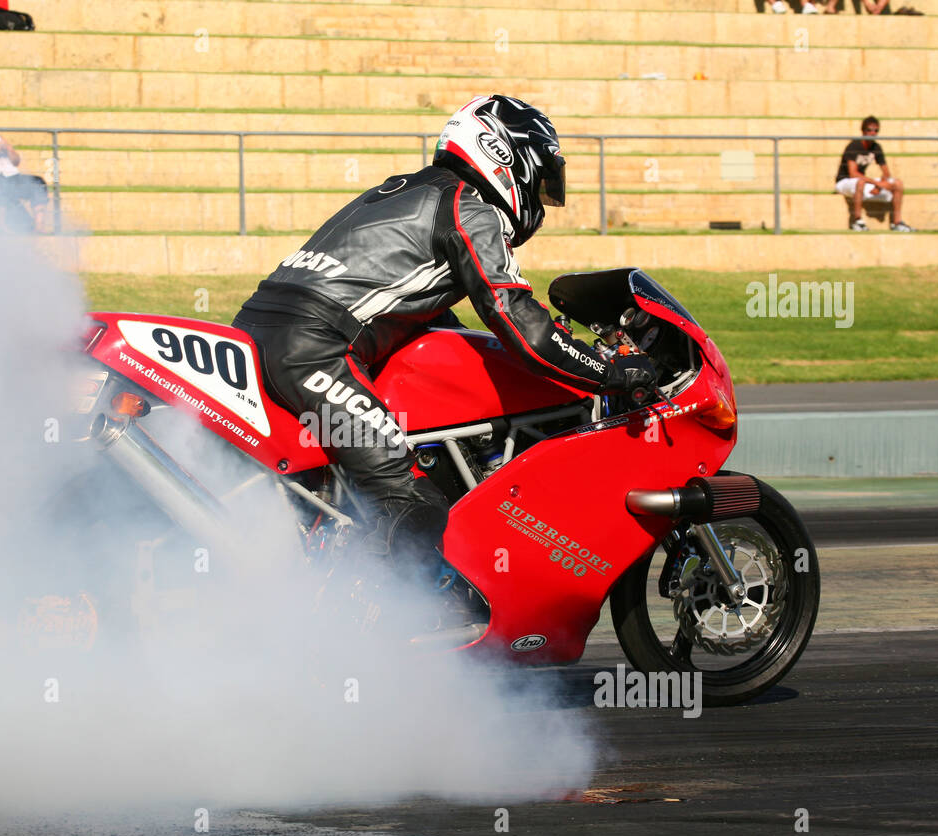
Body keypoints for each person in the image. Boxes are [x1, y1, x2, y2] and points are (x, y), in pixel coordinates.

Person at [231, 95, 656, 574]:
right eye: (539, 180)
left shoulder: (408, 188)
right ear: (504, 157)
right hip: (314, 350)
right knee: (410, 503)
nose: (540, 197)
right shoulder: (470, 209)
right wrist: (610, 371)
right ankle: (359, 634)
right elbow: (514, 314)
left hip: (264, 334)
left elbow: (419, 310)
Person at [835, 116, 914, 232]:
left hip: (862, 182)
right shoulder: (854, 146)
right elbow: (853, 173)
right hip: (844, 182)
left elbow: (886, 172)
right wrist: (876, 183)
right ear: (863, 131)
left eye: (875, 131)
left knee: (897, 184)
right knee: (861, 182)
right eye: (869, 130)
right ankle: (857, 221)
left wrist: (881, 184)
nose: (872, 133)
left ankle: (897, 222)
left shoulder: (876, 147)